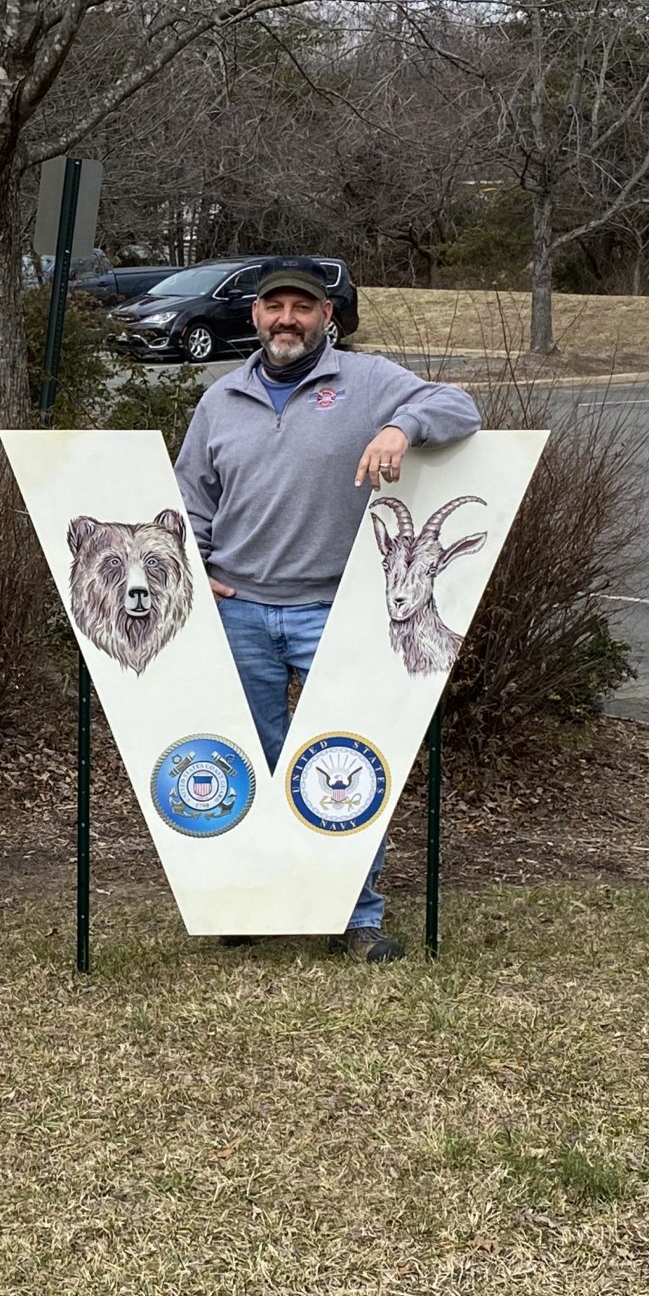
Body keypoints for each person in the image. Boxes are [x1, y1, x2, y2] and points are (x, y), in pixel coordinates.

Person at [173, 258, 482, 963]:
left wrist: (402, 428)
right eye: (274, 306)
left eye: (302, 308)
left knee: (343, 765)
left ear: (327, 318)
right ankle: (256, 899)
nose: (287, 319)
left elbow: (461, 407)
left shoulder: (368, 381)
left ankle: (356, 912)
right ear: (255, 316)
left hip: (336, 615)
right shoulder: (220, 399)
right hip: (240, 610)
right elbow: (193, 496)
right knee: (250, 765)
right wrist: (196, 567)